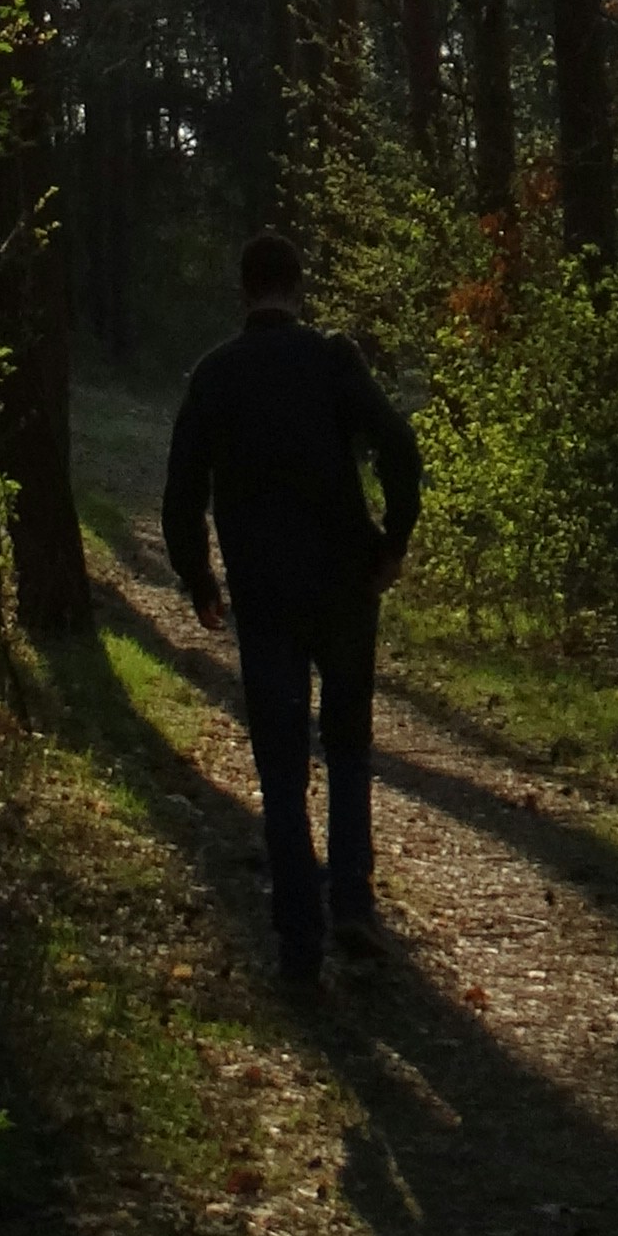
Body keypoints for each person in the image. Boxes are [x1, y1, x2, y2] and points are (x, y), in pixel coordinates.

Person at [163, 227, 421, 992]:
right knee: (346, 747)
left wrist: (199, 578)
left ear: (243, 290)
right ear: (298, 286)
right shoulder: (333, 359)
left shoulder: (215, 374)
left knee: (281, 764)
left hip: (264, 592)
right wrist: (393, 541)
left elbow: (182, 493)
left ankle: (298, 943)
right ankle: (351, 902)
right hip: (344, 582)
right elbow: (399, 447)